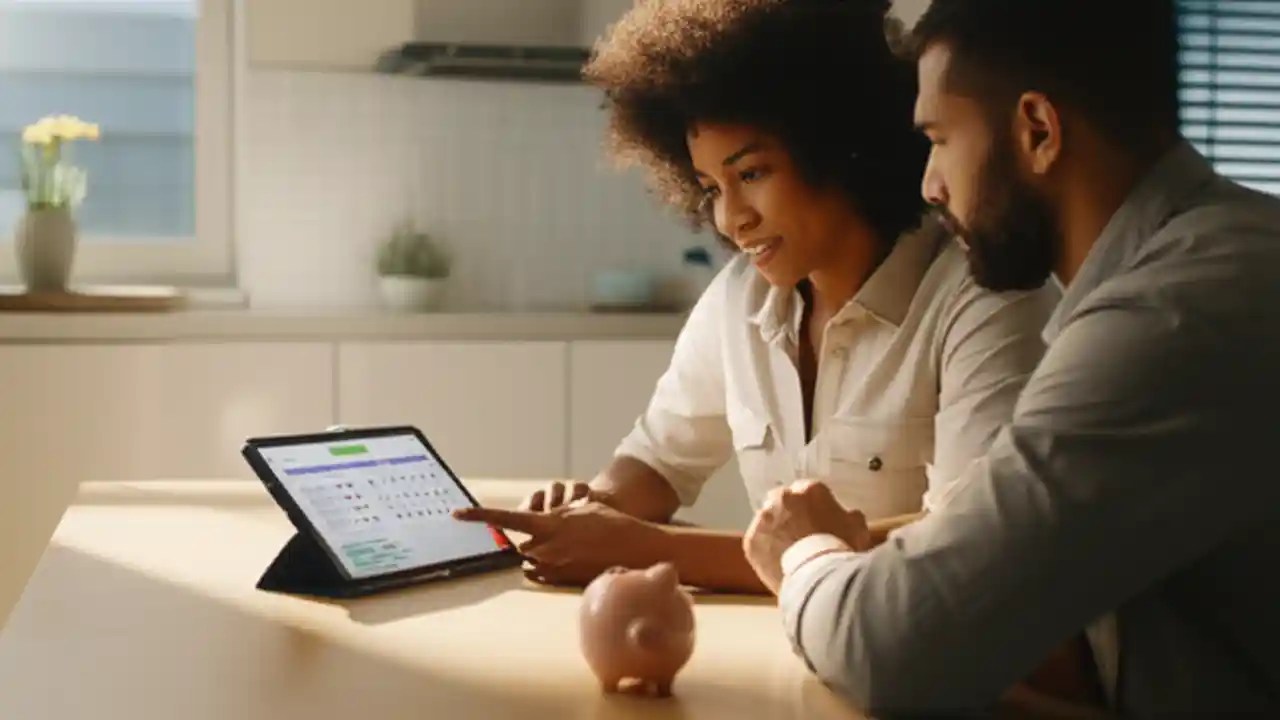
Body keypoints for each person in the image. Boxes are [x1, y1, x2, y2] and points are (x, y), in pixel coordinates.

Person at [742, 0, 1280, 714]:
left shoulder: (1170, 315)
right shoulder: (1201, 263)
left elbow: (894, 647)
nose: (930, 186)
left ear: (1037, 130)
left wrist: (804, 554)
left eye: (938, 139)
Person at [456, 0, 1057, 595]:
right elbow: (660, 460)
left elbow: (969, 547)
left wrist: (653, 549)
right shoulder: (739, 301)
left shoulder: (986, 299)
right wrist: (591, 511)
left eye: (752, 175)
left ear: (840, 145)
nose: (729, 219)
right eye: (710, 187)